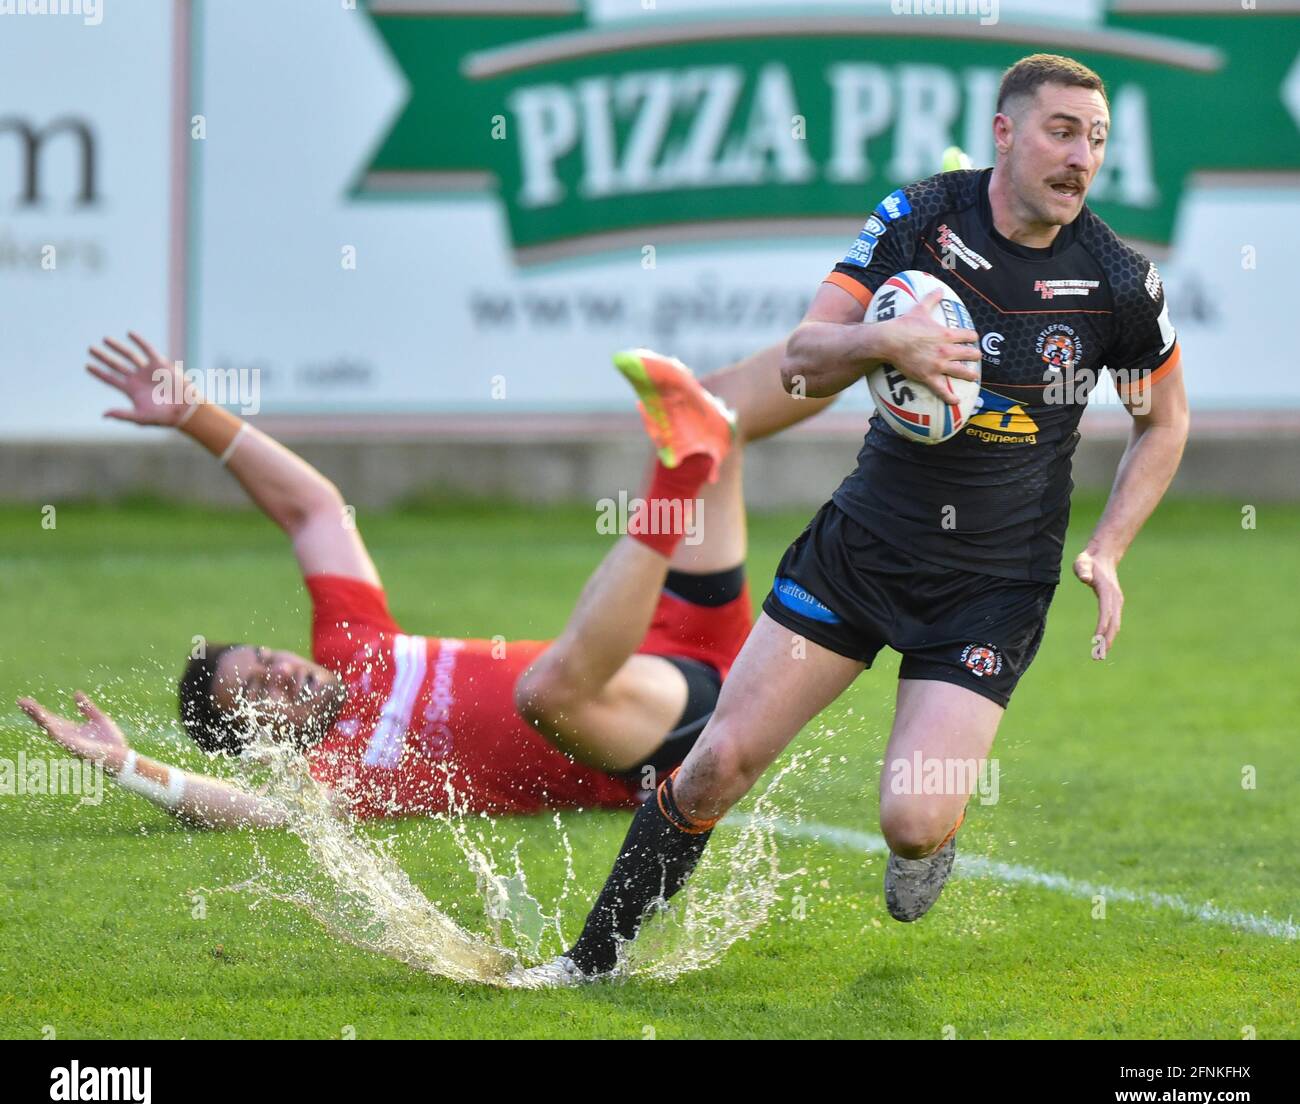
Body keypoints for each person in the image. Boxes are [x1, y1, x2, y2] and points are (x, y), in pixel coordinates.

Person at [547, 53, 1190, 982]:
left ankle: (936, 838)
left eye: (1095, 139)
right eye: (1061, 131)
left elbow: (1163, 419)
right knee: (717, 763)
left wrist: (1110, 547)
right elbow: (806, 356)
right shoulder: (922, 216)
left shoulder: (1116, 282)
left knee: (912, 818)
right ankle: (588, 965)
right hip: (860, 553)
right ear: (1004, 132)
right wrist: (883, 340)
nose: (1081, 157)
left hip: (992, 588)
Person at [18, 336, 833, 828]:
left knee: (723, 409)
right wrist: (131, 768)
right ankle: (674, 475)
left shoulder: (350, 642)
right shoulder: (341, 770)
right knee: (548, 693)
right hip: (662, 744)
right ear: (260, 740)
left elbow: (314, 512)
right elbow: (253, 812)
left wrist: (196, 414)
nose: (280, 671)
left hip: (671, 643)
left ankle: (947, 292)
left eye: (263, 658)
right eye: (257, 694)